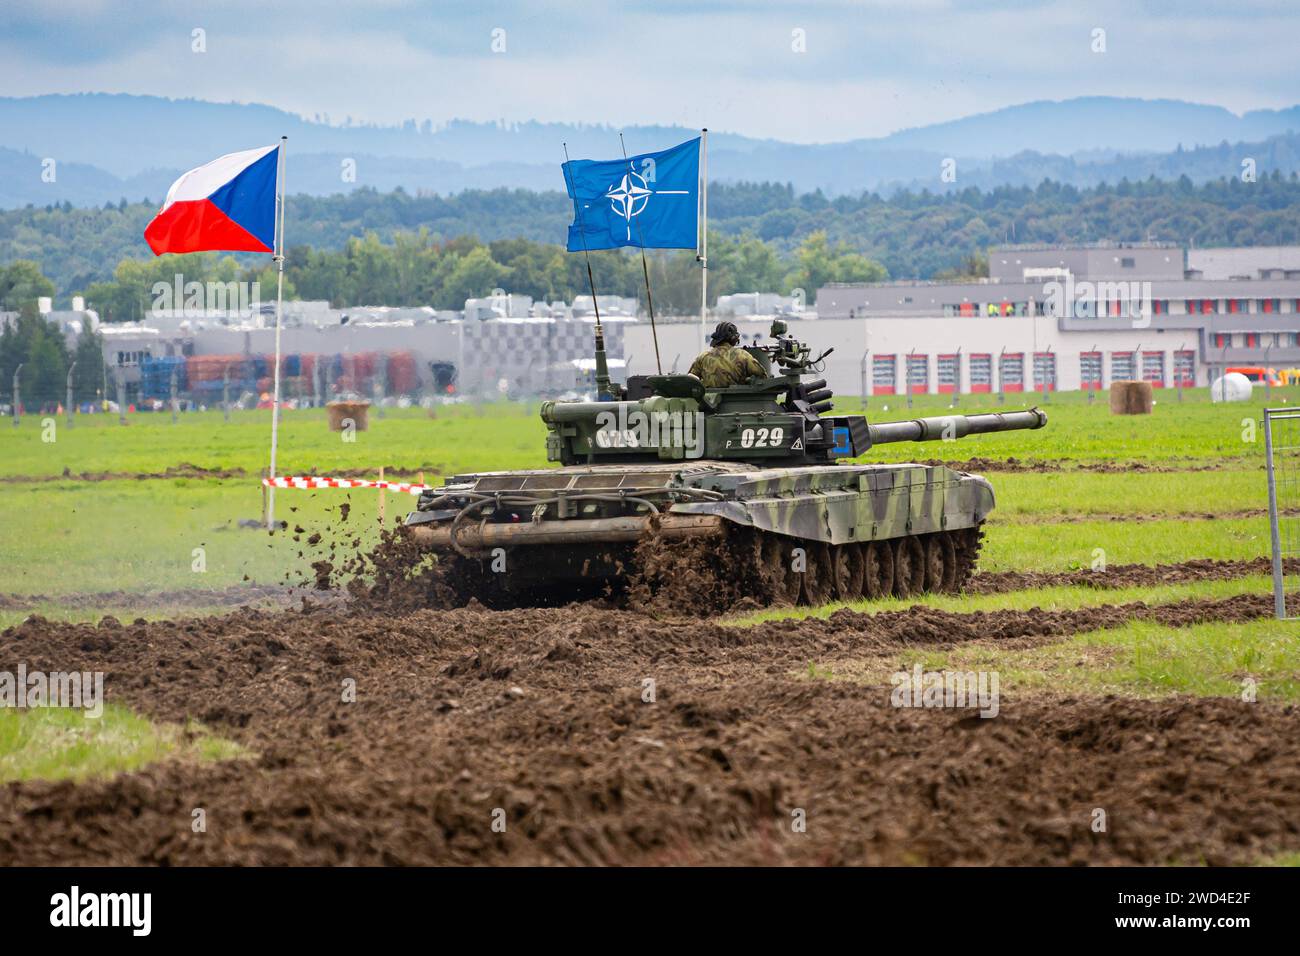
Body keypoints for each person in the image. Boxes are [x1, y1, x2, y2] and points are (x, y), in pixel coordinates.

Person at [688, 321, 764, 388]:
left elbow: (691, 379)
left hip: (709, 401)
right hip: (738, 399)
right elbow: (762, 376)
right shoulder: (743, 355)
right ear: (734, 339)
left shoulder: (703, 357)